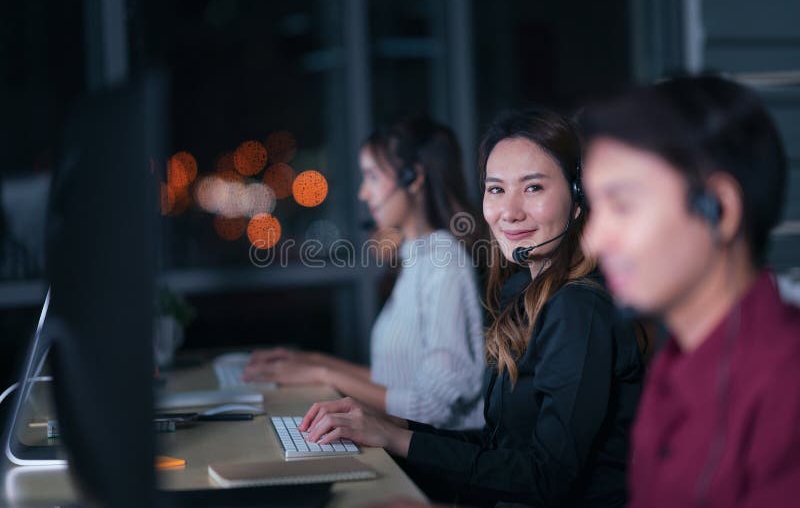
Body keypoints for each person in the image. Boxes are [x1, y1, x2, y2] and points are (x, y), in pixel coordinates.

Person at [297, 109, 645, 507]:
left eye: (533, 188)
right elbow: (497, 445)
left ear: (579, 197)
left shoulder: (579, 310)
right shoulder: (525, 295)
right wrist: (385, 425)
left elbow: (547, 477)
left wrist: (397, 438)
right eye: (496, 189)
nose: (509, 211)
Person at [579, 75, 800, 507]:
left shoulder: (787, 387)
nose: (592, 241)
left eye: (621, 206)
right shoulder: (676, 361)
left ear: (718, 208)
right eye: (594, 208)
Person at [244, 114, 486, 429]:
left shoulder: (445, 263)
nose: (363, 193)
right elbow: (397, 381)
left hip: (432, 462)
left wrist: (322, 374)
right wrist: (311, 362)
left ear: (413, 177)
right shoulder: (419, 256)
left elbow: (434, 405)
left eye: (372, 177)